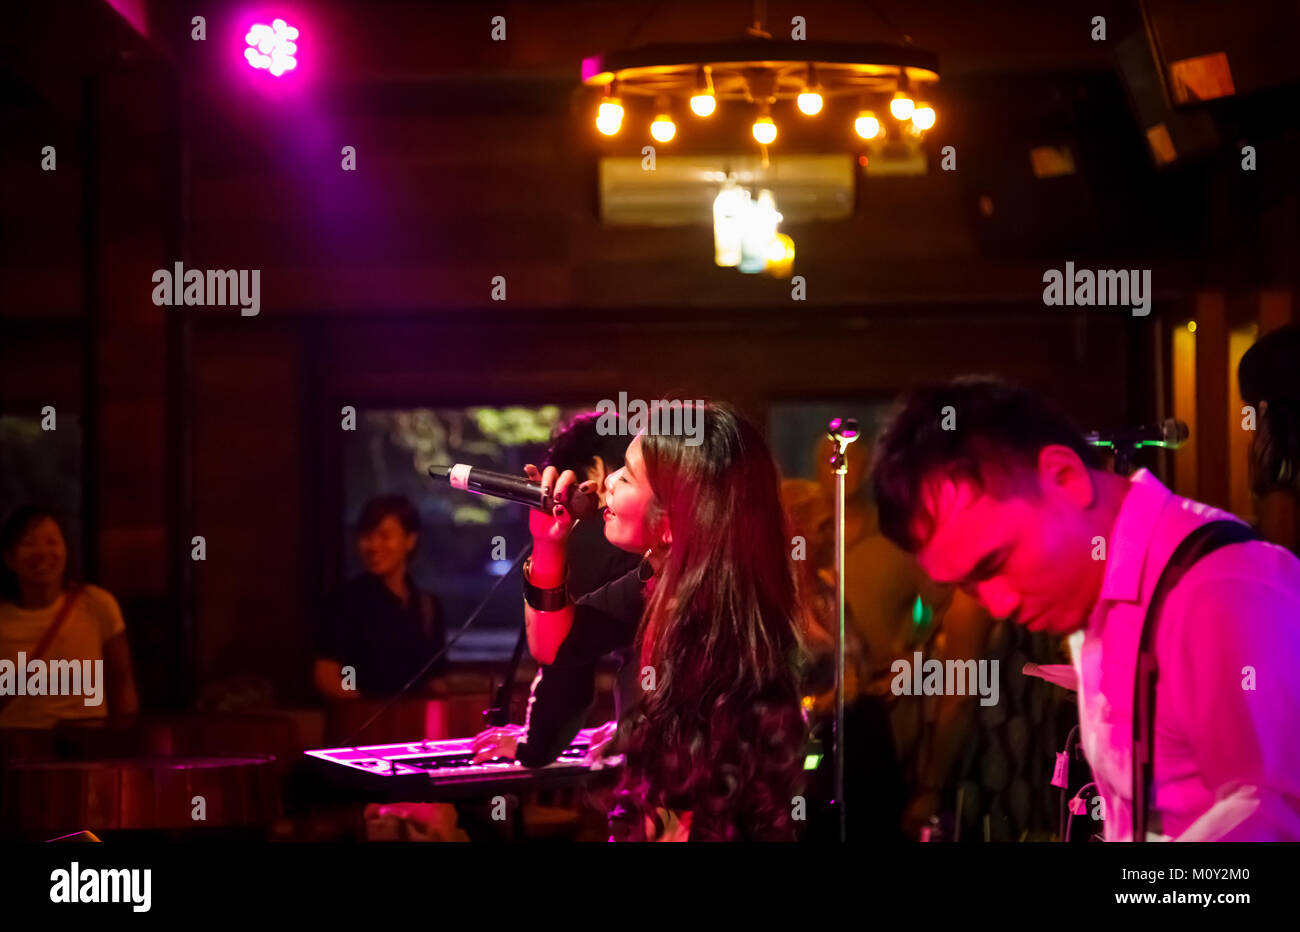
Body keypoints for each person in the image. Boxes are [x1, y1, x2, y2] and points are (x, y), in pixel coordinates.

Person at [871, 375, 1300, 841]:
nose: (996, 604)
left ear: (1065, 477)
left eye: (995, 563)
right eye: (967, 588)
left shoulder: (1221, 588)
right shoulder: (1103, 594)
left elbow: (1277, 819)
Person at [521, 401, 810, 841]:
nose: (608, 481)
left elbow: (700, 790)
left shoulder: (712, 622)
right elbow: (555, 646)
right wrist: (548, 545)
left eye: (627, 476)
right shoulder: (659, 578)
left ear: (672, 523)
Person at [0, 506, 138, 728]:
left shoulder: (96, 604)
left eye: (52, 542)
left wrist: (125, 734)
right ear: (9, 559)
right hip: (15, 743)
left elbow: (121, 681)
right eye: (28, 543)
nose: (42, 552)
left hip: (86, 741)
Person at [314, 495, 446, 701]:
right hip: (364, 719)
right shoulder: (345, 602)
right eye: (366, 536)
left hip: (415, 719)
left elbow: (435, 679)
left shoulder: (428, 606)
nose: (373, 546)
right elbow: (326, 674)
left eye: (385, 536)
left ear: (410, 540)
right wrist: (364, 708)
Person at [1238, 324, 1300, 553]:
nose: (1250, 427)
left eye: (1250, 411)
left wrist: (1270, 484)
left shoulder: (1282, 497)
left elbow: (1279, 561)